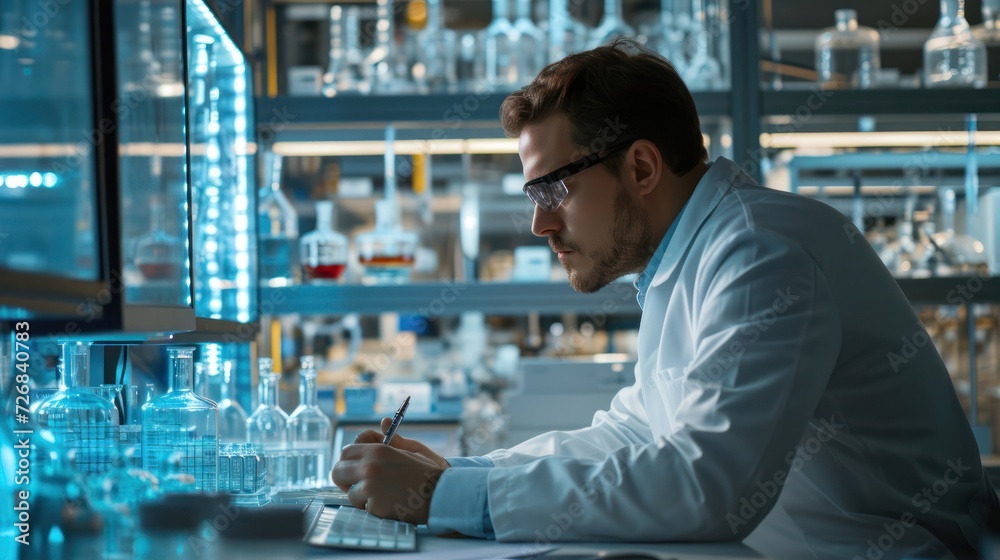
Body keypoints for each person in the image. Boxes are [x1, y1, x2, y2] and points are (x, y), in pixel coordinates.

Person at [333, 39, 998, 559]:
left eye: (551, 191)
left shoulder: (762, 252)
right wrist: (456, 470)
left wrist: (441, 495)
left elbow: (707, 488)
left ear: (642, 167)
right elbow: (637, 433)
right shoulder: (689, 257)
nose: (540, 225)